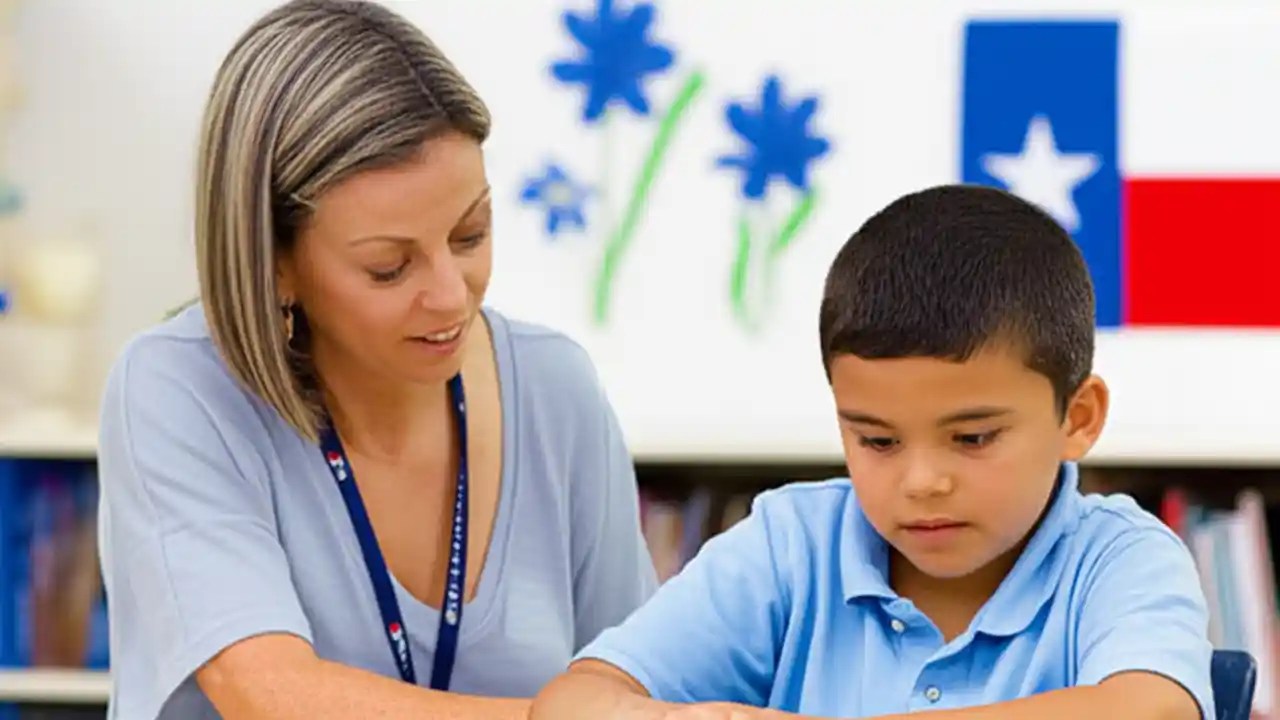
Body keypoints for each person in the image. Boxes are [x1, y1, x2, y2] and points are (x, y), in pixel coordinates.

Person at [95, 2, 657, 718]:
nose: (452, 297)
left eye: (470, 234)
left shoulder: (556, 390)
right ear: (275, 263)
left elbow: (641, 678)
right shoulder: (175, 391)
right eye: (390, 268)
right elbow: (270, 695)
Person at [531, 184, 1215, 720]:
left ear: (1079, 416)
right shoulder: (790, 545)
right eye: (877, 440)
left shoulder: (1123, 559)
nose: (920, 481)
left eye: (973, 437)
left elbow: (1147, 709)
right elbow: (575, 700)